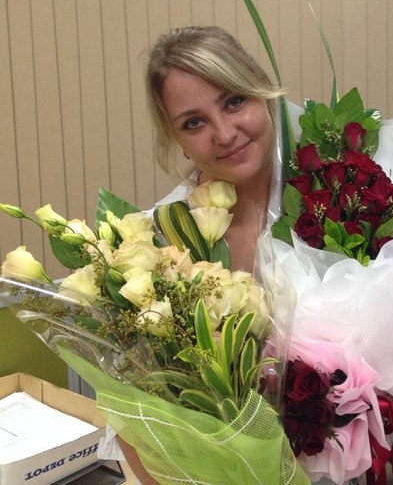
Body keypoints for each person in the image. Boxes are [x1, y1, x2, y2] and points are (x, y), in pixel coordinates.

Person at [117, 25, 285, 484]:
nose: (225, 134)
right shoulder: (157, 243)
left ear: (261, 91)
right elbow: (135, 408)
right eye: (194, 122)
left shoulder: (337, 203)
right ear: (174, 137)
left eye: (234, 101)